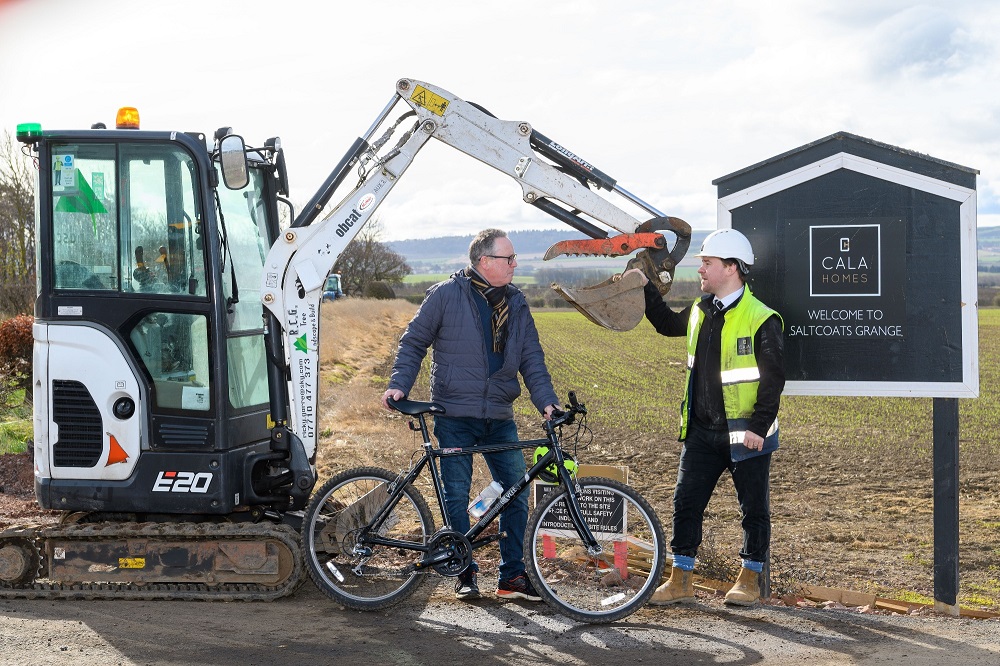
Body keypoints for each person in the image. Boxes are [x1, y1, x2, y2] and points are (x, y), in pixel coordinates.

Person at [381, 228, 560, 602]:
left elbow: (532, 360)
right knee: (456, 493)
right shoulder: (446, 295)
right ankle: (464, 573)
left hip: (498, 413)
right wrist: (399, 384)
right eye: (508, 259)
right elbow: (414, 341)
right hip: (453, 413)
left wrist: (547, 401)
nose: (515, 264)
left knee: (516, 493)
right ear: (484, 262)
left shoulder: (517, 302)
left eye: (514, 258)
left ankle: (512, 577)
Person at [626, 228, 784, 607]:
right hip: (700, 431)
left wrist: (759, 429)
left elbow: (774, 380)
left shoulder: (762, 318)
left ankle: (749, 579)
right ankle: (681, 579)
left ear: (731, 268)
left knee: (754, 510)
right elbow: (666, 324)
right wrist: (645, 285)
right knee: (686, 504)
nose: (700, 269)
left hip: (746, 434)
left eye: (707, 263)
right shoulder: (700, 310)